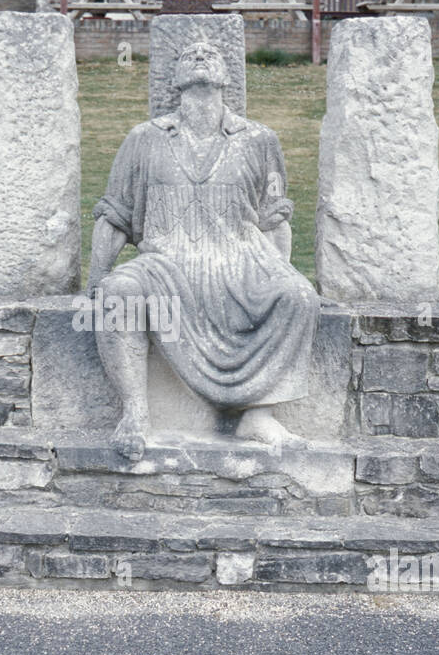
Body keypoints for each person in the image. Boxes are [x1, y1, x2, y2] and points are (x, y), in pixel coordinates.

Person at [87, 41, 320, 461]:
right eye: (188, 54)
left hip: (240, 258)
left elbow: (273, 218)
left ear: (228, 76)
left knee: (298, 296)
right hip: (163, 262)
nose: (198, 55)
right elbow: (115, 214)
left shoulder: (259, 139)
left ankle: (259, 414)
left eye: (211, 53)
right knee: (116, 293)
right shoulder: (143, 139)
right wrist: (95, 277)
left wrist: (279, 271)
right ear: (173, 79)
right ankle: (135, 413)